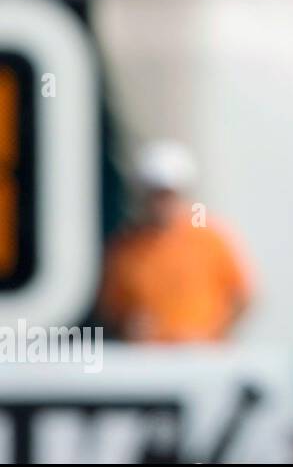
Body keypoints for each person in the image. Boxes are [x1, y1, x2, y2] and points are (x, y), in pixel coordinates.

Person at [99, 140, 252, 343]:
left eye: (167, 195)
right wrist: (127, 328)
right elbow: (111, 308)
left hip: (200, 358)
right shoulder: (125, 248)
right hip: (148, 359)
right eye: (155, 195)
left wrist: (213, 334)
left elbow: (243, 295)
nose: (161, 203)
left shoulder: (209, 238)